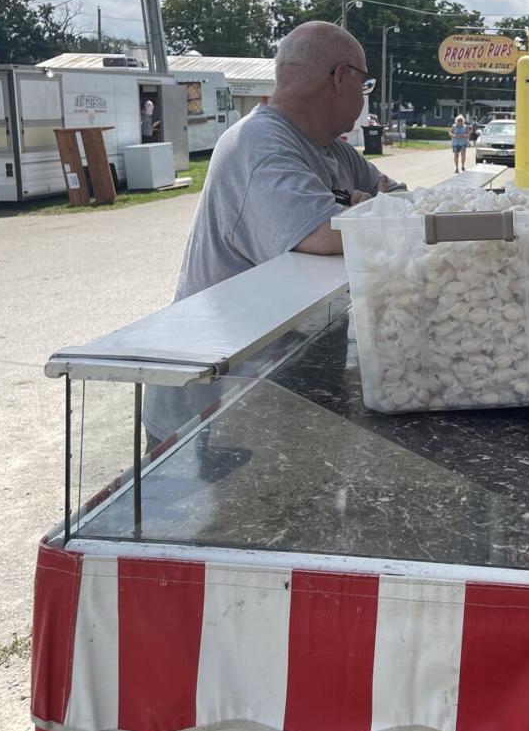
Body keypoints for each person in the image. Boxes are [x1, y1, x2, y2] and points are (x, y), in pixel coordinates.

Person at [143, 23, 404, 448]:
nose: (364, 96)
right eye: (365, 83)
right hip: (215, 410)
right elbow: (321, 234)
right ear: (340, 78)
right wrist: (365, 211)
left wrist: (368, 209)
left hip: (275, 387)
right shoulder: (260, 144)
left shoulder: (332, 149)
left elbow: (399, 201)